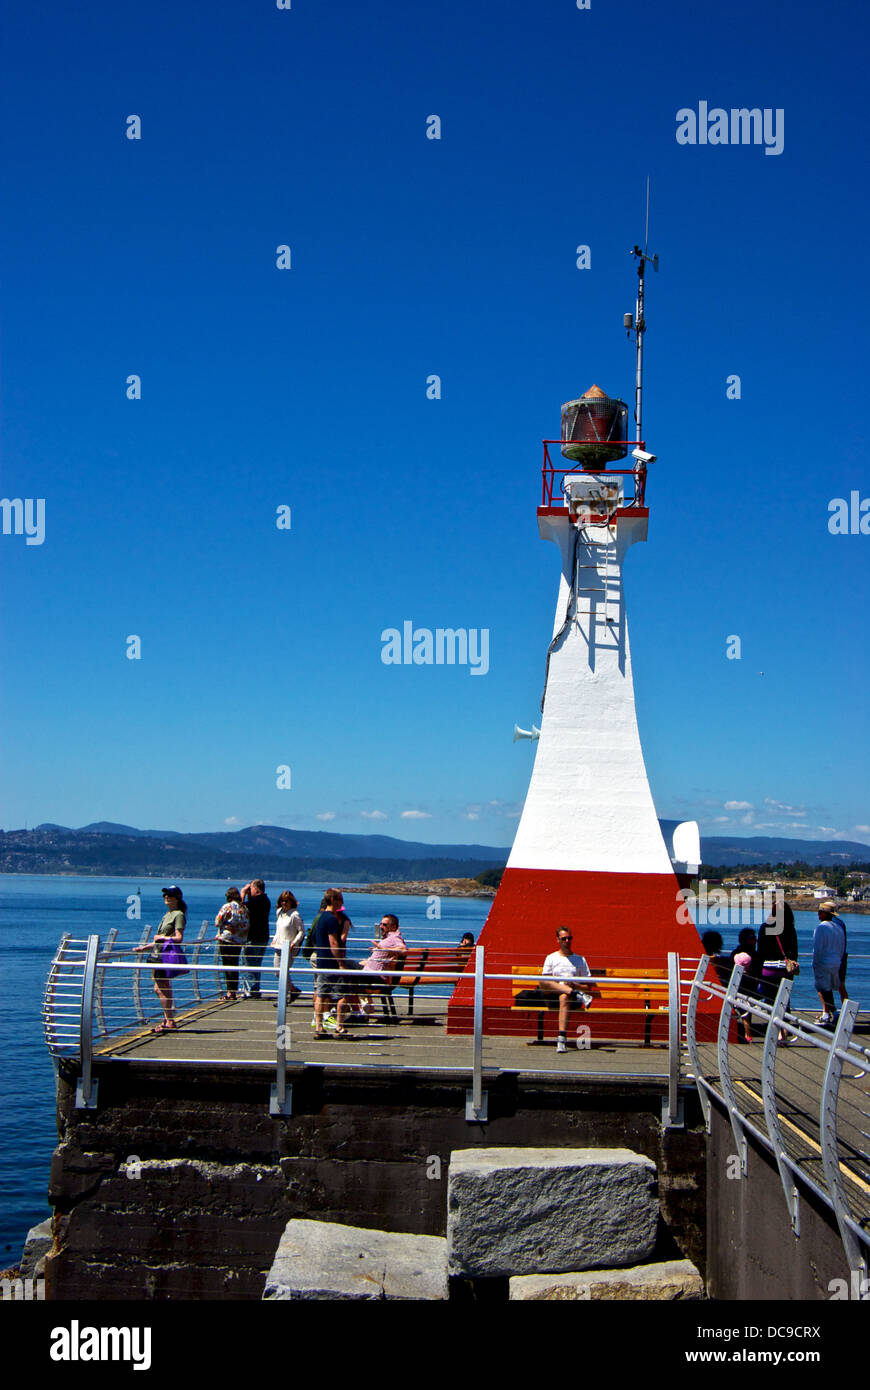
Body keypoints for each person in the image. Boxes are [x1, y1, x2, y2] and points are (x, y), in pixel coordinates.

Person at [134, 885, 187, 1033]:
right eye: (165, 895)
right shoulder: (167, 915)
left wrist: (161, 937)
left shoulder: (178, 915)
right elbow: (158, 940)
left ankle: (169, 1020)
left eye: (169, 895)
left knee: (160, 988)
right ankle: (168, 1020)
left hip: (164, 957)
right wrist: (144, 948)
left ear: (177, 898)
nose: (166, 897)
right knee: (162, 988)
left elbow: (178, 938)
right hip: (157, 955)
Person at [540, 927, 593, 1054]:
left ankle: (561, 1040)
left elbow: (588, 987)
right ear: (558, 940)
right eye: (564, 938)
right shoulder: (551, 958)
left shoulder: (580, 960)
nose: (567, 941)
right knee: (544, 981)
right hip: (551, 995)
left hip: (570, 1000)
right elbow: (545, 983)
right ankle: (577, 994)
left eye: (569, 938)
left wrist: (574, 985)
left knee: (564, 996)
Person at [756, 901, 800, 1044]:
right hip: (785, 970)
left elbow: (760, 951)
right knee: (784, 1001)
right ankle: (784, 1032)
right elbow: (794, 951)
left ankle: (774, 1030)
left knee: (770, 1000)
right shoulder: (790, 929)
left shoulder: (765, 927)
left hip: (768, 968)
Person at [312, 894, 353, 1038]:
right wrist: (340, 963)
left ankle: (319, 1027)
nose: (342, 902)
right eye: (340, 899)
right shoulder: (332, 919)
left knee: (321, 995)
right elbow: (334, 942)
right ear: (334, 901)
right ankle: (340, 1027)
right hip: (332, 962)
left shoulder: (321, 917)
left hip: (321, 961)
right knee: (342, 995)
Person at [358, 914, 407, 1018]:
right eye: (381, 924)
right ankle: (365, 1005)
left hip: (377, 978)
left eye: (384, 925)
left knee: (343, 969)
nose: (381, 926)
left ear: (393, 927)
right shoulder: (389, 938)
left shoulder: (394, 937)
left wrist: (384, 949)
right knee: (351, 966)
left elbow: (403, 949)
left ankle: (358, 1009)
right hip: (373, 974)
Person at [813, 902, 847, 1028]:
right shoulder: (838, 927)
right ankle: (833, 1013)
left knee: (821, 988)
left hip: (824, 962)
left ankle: (829, 1013)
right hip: (836, 962)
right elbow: (842, 947)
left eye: (819, 912)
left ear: (823, 914)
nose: (818, 914)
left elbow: (818, 948)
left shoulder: (821, 928)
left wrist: (815, 963)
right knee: (831, 987)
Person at [214, 887, 249, 1000]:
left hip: (227, 939)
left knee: (227, 965)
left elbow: (217, 921)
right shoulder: (244, 908)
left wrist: (226, 925)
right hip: (239, 941)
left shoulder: (227, 907)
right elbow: (246, 924)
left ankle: (230, 992)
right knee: (234, 965)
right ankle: (233, 990)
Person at [271, 890, 304, 1004]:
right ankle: (293, 990)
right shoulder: (279, 912)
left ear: (291, 902)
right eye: (282, 901)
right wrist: (275, 939)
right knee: (277, 971)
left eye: (286, 901)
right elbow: (279, 929)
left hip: (289, 948)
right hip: (278, 946)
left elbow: (301, 931)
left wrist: (294, 943)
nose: (284, 903)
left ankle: (283, 999)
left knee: (283, 972)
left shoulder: (295, 915)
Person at [241, 879, 271, 999]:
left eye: (251, 889)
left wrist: (243, 894)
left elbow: (242, 910)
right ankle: (254, 988)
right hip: (263, 936)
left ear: (256, 889)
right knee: (256, 963)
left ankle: (251, 990)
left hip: (253, 937)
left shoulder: (257, 901)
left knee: (249, 963)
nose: (250, 891)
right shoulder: (265, 900)